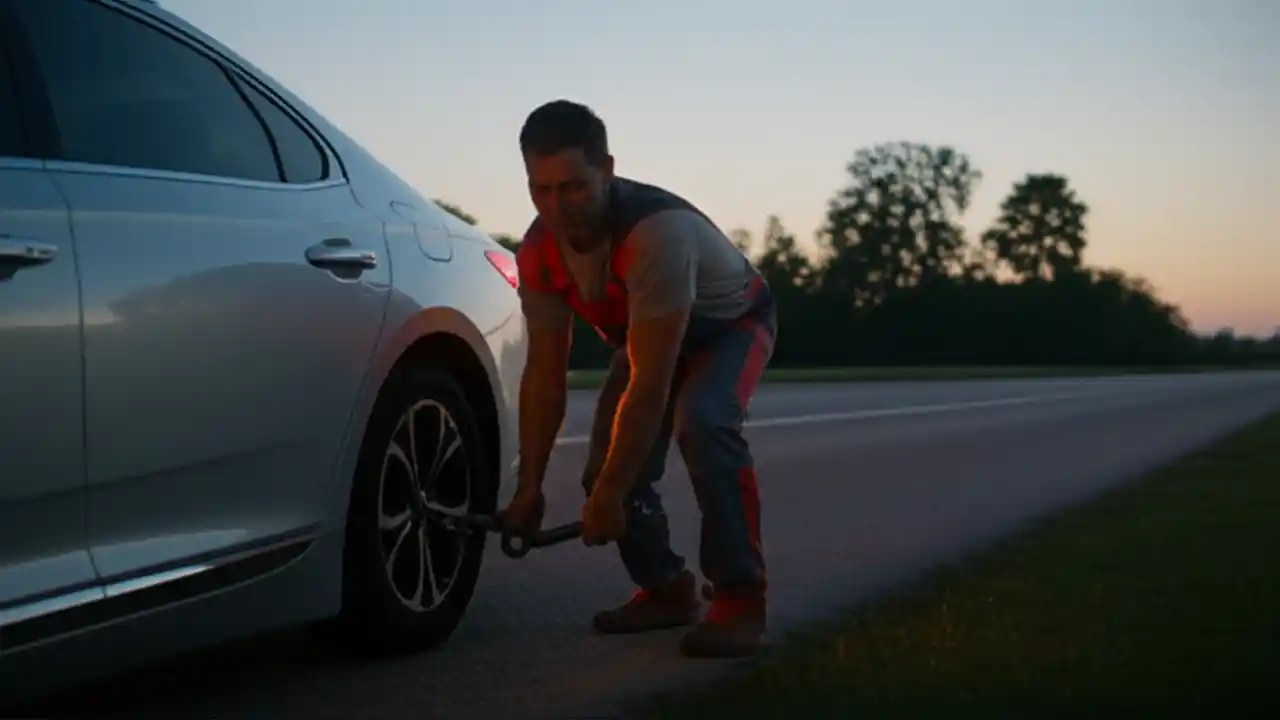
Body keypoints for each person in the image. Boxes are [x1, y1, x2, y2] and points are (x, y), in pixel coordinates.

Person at [498, 99, 777, 658]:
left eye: (573, 186)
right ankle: (667, 589)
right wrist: (528, 488)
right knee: (604, 469)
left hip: (729, 327)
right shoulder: (537, 251)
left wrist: (610, 496)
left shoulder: (656, 235)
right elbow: (545, 377)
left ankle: (741, 597)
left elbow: (650, 384)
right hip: (648, 336)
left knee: (702, 424)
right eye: (540, 190)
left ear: (607, 169)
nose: (557, 207)